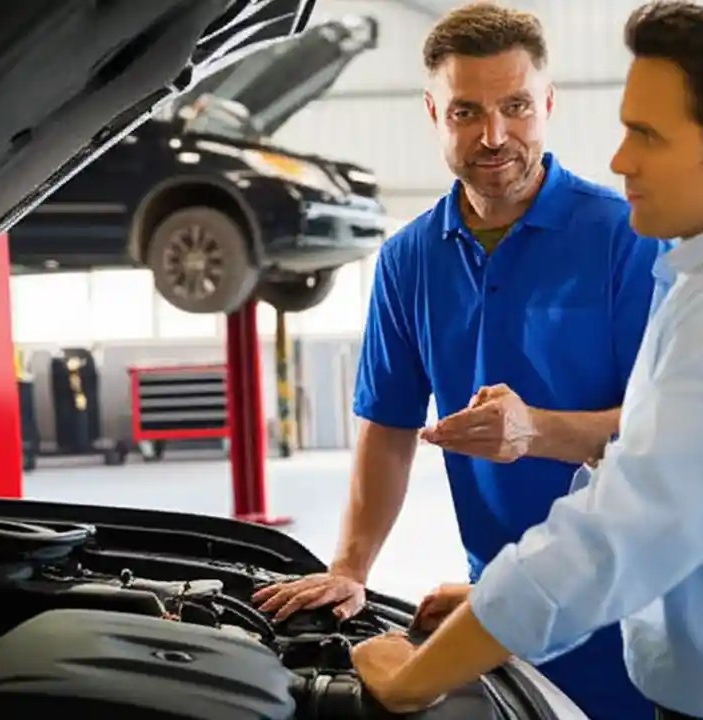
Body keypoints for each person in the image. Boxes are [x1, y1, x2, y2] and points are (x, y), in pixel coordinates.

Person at [348, 3, 703, 719]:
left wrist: (416, 678)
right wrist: (490, 602)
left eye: (646, 135)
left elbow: (626, 529)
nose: (620, 160)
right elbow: (694, 503)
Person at [252, 3, 659, 718]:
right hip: (495, 599)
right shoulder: (407, 261)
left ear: (549, 106)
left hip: (626, 602)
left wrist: (534, 428)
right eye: (467, 111)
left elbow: (664, 433)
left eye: (516, 107)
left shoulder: (626, 237)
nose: (494, 135)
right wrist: (349, 569)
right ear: (433, 113)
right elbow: (387, 427)